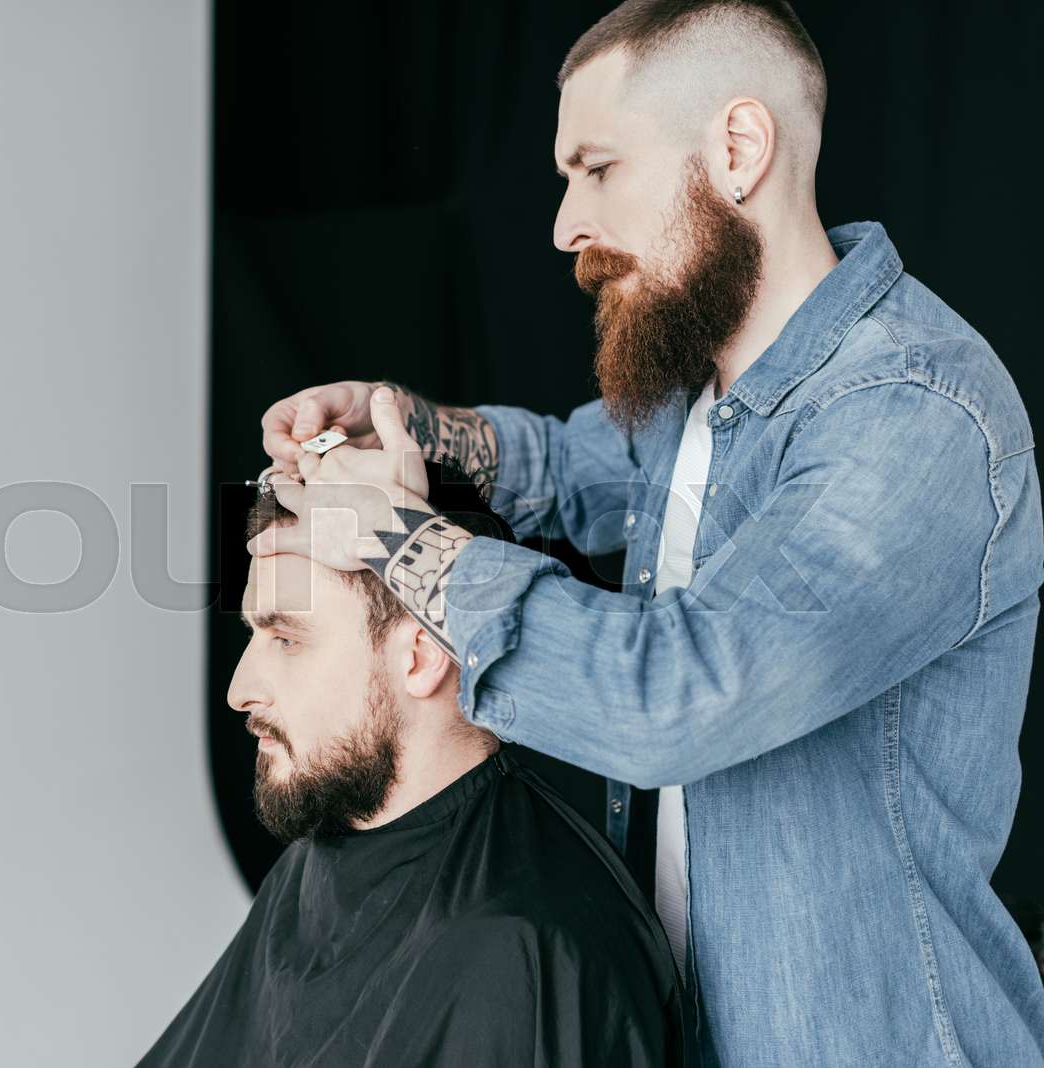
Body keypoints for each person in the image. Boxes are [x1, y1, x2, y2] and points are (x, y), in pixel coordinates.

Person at [253, 2, 1044, 1065]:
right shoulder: (700, 392)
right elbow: (575, 468)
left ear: (736, 148)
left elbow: (678, 694)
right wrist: (407, 425)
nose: (564, 225)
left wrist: (403, 542)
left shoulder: (915, 417)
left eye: (597, 169)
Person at [137, 459, 682, 1067]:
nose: (239, 689)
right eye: (252, 638)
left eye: (286, 639)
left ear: (420, 659)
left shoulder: (526, 945)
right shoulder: (310, 876)